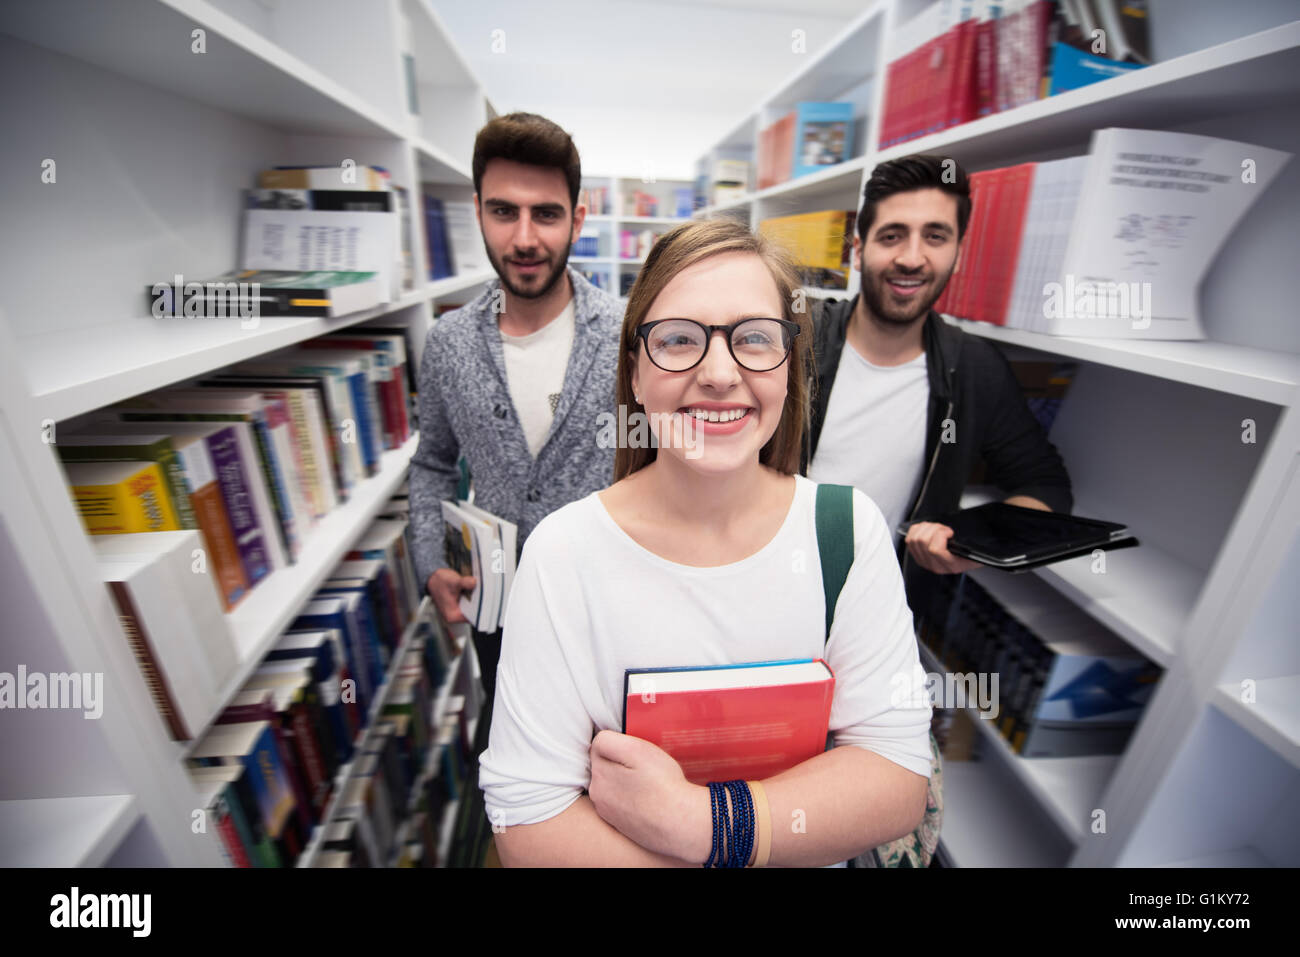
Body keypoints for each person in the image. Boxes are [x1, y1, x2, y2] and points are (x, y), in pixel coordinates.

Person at [479, 219, 933, 867]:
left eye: (754, 338)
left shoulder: (847, 531)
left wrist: (704, 825)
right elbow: (527, 821)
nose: (720, 374)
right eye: (678, 339)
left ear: (788, 366)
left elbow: (897, 776)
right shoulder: (564, 555)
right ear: (636, 374)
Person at [408, 112, 624, 696]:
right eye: (504, 212)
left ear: (578, 219)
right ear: (478, 211)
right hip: (496, 606)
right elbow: (432, 463)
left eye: (546, 214)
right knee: (501, 736)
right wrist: (430, 559)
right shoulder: (449, 342)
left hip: (611, 607)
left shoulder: (631, 334)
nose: (525, 239)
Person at [804, 154, 1072, 600]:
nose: (912, 259)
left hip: (880, 604)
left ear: (958, 254)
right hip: (763, 586)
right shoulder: (794, 343)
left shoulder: (975, 368)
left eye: (935, 236)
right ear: (859, 251)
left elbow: (1046, 485)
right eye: (892, 236)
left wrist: (974, 541)